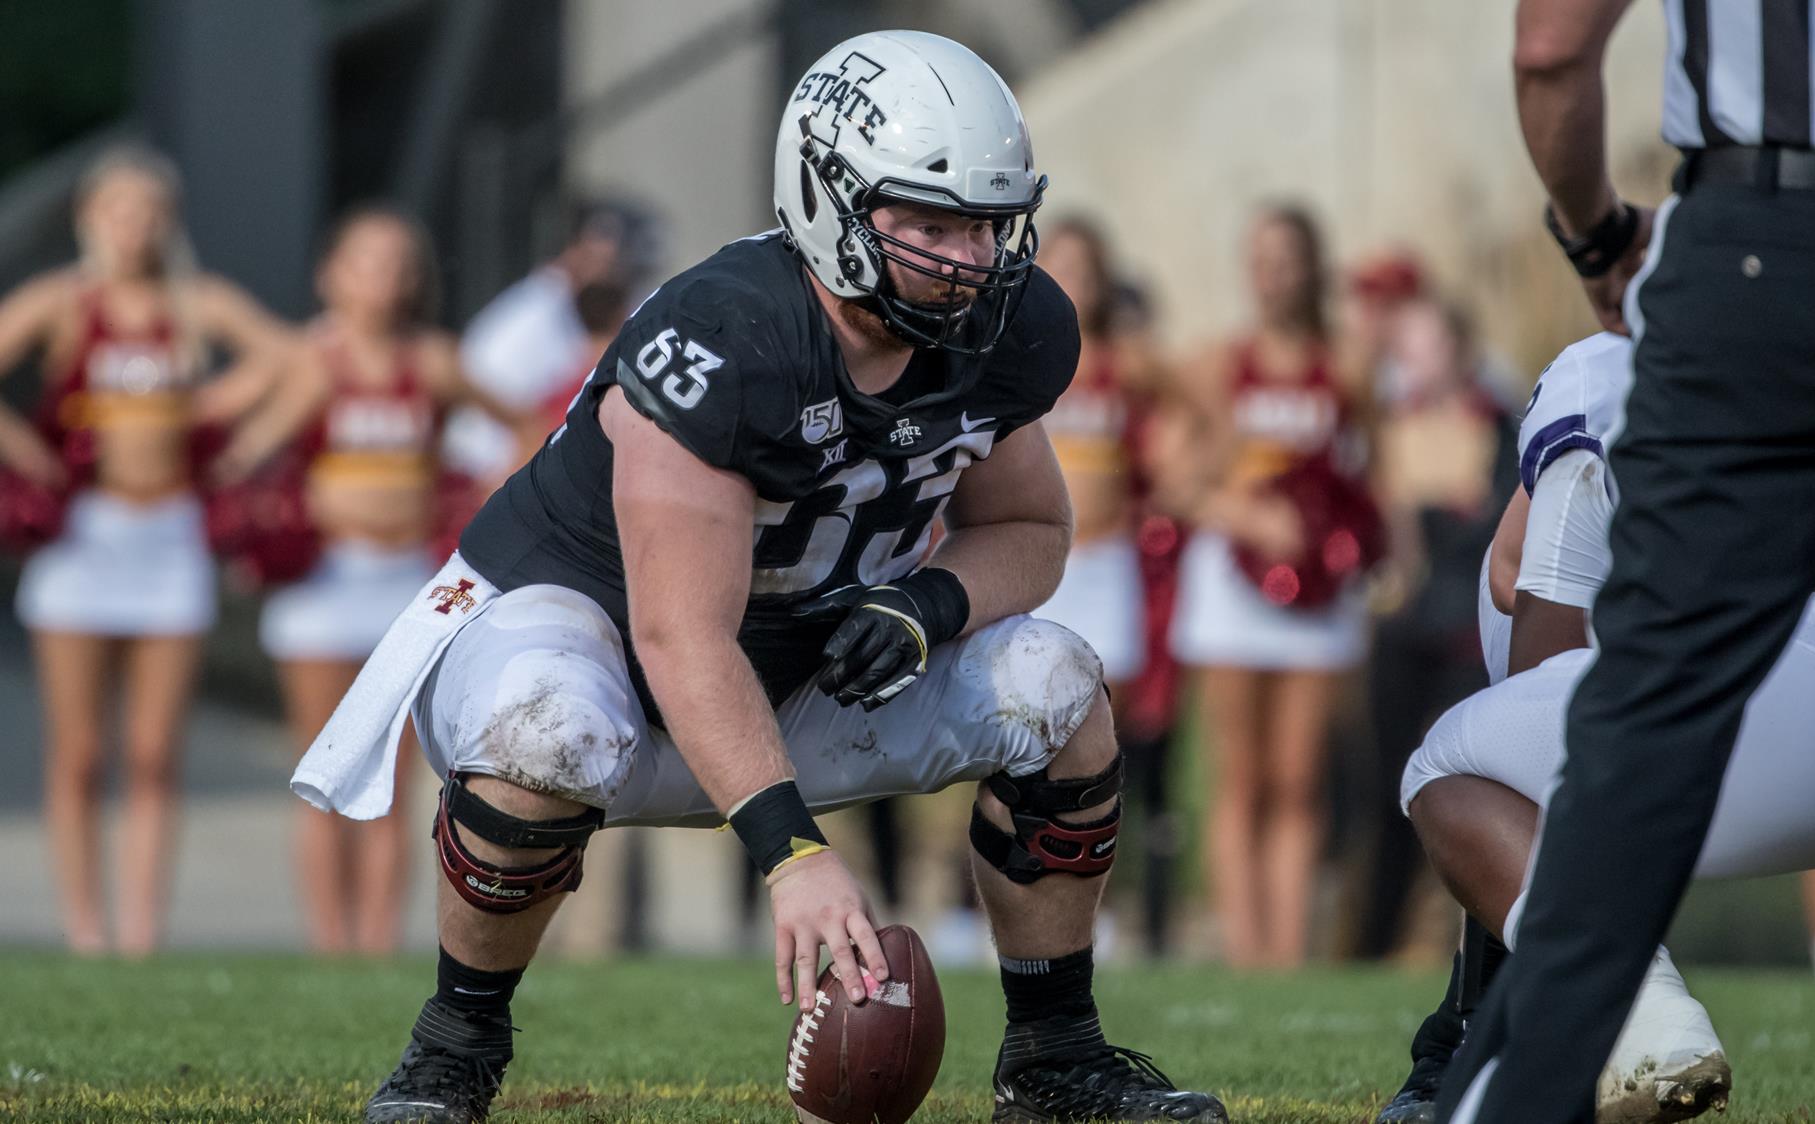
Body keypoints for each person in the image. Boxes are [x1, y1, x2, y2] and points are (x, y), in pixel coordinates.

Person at [291, 31, 1226, 1124]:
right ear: (829, 200)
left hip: (797, 662)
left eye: (983, 220)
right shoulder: (727, 333)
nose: (967, 255)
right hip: (594, 641)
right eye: (927, 220)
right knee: (542, 728)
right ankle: (450, 1051)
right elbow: (680, 634)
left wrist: (930, 600)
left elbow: (1028, 524)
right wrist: (791, 855)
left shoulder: (1004, 326)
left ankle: (1055, 1059)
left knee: (1056, 682)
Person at [1435, 5, 1815, 1120]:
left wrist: (1596, 235)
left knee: (1630, 724)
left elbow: (1549, 47)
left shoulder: (1609, 357)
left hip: (1755, 248)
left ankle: (1548, 1074)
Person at [1378, 332, 1815, 1123]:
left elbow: (1520, 596)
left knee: (1457, 768)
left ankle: (1635, 1014)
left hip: (1777, 697)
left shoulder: (1625, 355)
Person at [213, 206, 531, 955]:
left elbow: (526, 430)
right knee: (325, 768)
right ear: (332, 273)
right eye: (366, 261)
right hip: (321, 586)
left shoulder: (433, 360)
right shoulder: (310, 359)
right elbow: (240, 444)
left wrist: (481, 492)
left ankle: (379, 946)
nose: (383, 278)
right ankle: (330, 947)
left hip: (408, 588)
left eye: (398, 262)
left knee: (396, 780)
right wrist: (289, 497)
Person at [0, 146, 292, 956]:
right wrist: (26, 453)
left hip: (169, 540)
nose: (135, 226)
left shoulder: (196, 304)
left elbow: (291, 359)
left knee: (156, 750)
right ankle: (84, 927)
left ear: (169, 220)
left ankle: (141, 930)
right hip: (82, 541)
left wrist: (223, 421)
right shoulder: (63, 301)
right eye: (119, 208)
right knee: (81, 750)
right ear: (90, 218)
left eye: (149, 209)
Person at [1169, 205, 1372, 969]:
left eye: (1286, 258)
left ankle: (1288, 959)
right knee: (1242, 776)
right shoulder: (1218, 364)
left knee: (1299, 777)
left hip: (1318, 594)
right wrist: (1246, 515)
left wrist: (1358, 545)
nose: (1273, 274)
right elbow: (1177, 481)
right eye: (1260, 259)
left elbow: (1371, 471)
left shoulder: (1346, 365)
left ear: (1310, 265)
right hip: (1232, 583)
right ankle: (1246, 954)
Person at [1033, 217, 1184, 956]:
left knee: (1108, 737)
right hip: (1041, 562)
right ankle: (1024, 892)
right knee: (1024, 730)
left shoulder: (1127, 363)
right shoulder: (1019, 356)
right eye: (1060, 266)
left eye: (1085, 270)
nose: (1073, 283)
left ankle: (1108, 903)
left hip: (1108, 561)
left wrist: (1171, 476)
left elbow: (1201, 410)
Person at [1353, 299, 1515, 963]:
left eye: (1427, 346)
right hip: (1402, 634)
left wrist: (1428, 517)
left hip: (1466, 638)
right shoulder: (1388, 427)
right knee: (1387, 793)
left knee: (1464, 788)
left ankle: (1471, 947)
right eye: (1406, 349)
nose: (1413, 362)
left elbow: (1497, 524)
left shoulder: (1497, 423)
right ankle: (1373, 944)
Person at [443, 198, 652, 488]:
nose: (612, 269)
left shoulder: (581, 306)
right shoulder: (532, 317)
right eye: (599, 254)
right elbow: (504, 430)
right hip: (493, 476)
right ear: (574, 249)